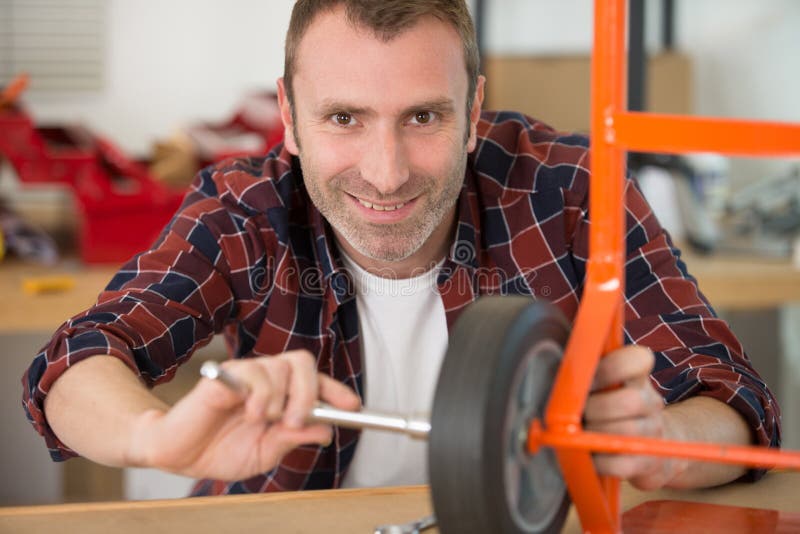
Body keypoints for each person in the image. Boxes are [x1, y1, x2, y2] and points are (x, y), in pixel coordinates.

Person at [23, 0, 779, 496]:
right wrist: (155, 436)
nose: (385, 176)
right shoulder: (243, 208)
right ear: (287, 114)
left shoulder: (571, 189)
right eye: (344, 118)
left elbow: (735, 398)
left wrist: (666, 439)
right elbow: (77, 359)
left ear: (474, 108)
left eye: (422, 117)